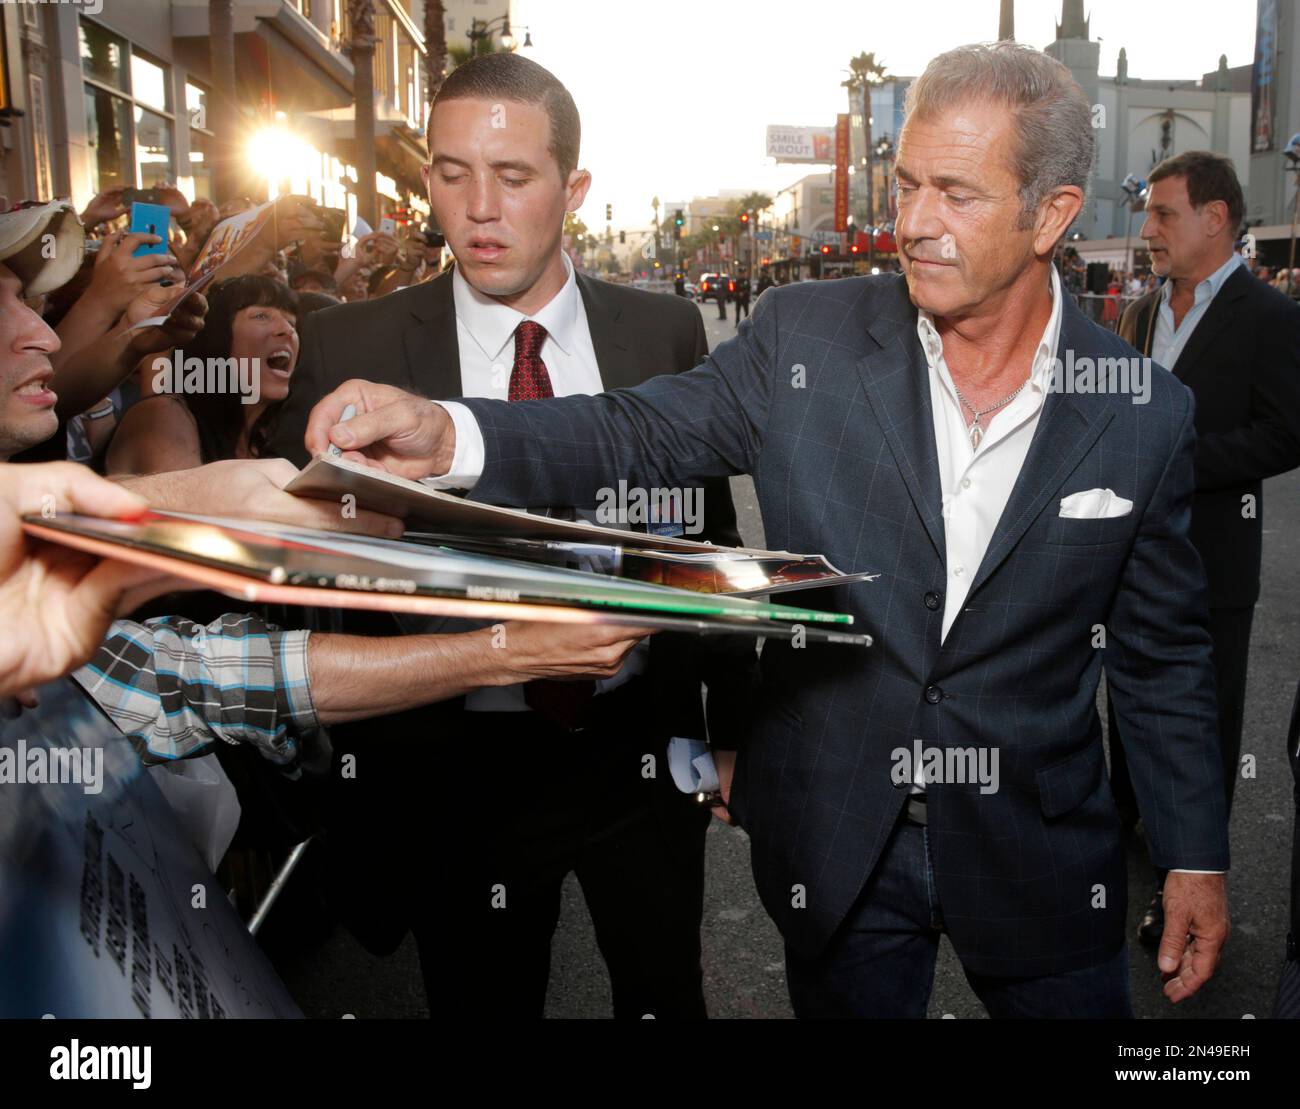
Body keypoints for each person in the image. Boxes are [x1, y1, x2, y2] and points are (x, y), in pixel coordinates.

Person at [305, 42, 1232, 1018]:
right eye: (908, 183)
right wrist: (451, 429)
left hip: (1037, 854)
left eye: (955, 194)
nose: (912, 222)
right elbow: (639, 427)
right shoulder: (805, 340)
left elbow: (1161, 658)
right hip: (839, 844)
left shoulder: (1142, 412)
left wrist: (1194, 851)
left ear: (1051, 214)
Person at [268, 51, 753, 1019]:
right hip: (457, 772)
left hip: (635, 756)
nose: (478, 208)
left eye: (513, 176)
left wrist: (729, 739)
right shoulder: (351, 348)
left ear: (573, 187)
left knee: (663, 993)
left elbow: (707, 545)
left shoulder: (660, 333)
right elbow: (291, 562)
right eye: (451, 174)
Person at [1115, 150, 1300, 945]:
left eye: (1163, 213)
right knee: (1125, 703)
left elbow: (1287, 431)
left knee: (1205, 719)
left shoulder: (1269, 316)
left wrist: (1182, 462)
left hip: (1214, 561)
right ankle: (1129, 847)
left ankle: (1190, 867)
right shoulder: (1139, 313)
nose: (1148, 228)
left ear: (1214, 219)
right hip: (1123, 554)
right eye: (1149, 213)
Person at [107, 275, 300, 473]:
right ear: (217, 335)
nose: (288, 330)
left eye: (292, 322)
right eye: (261, 316)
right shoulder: (162, 416)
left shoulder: (275, 437)